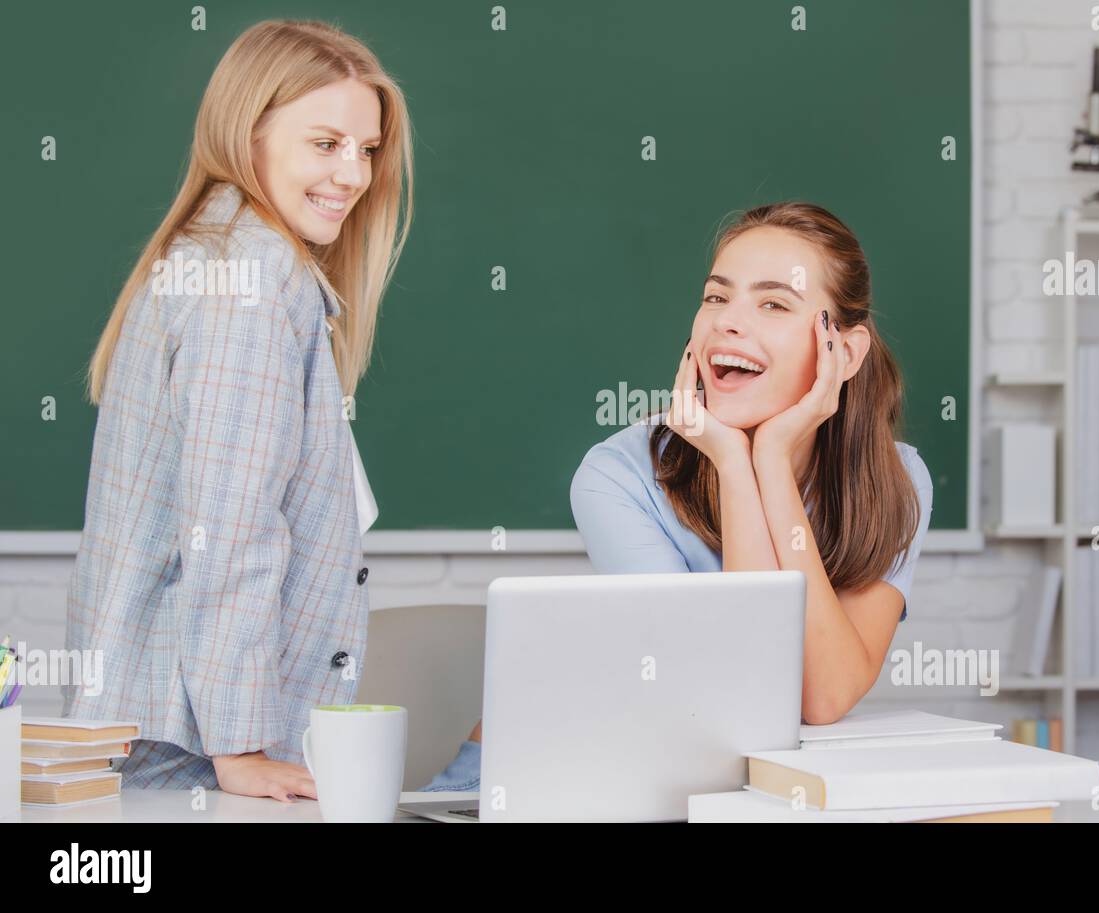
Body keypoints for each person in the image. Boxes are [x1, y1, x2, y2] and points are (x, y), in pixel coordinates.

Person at [420, 201, 932, 792]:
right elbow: (736, 699)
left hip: (726, 790)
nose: (728, 322)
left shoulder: (894, 482)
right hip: (535, 783)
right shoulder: (616, 476)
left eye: (773, 303)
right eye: (717, 297)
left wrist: (767, 461)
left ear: (845, 352)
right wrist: (733, 464)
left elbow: (823, 697)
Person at [65, 20, 413, 801]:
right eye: (325, 143)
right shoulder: (253, 286)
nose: (354, 174)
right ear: (245, 133)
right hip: (195, 745)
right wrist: (241, 742)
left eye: (366, 149)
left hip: (160, 726)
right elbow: (229, 527)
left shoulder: (219, 255)